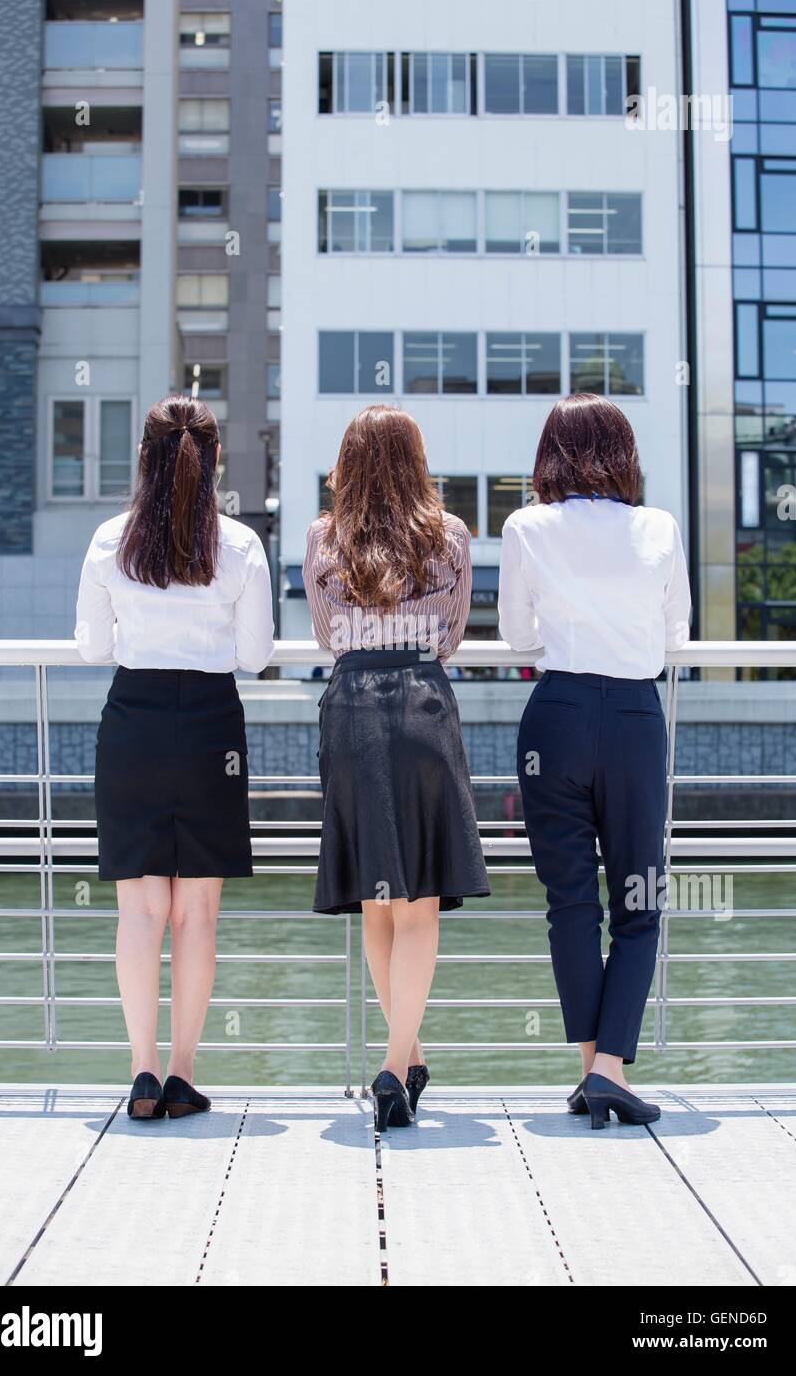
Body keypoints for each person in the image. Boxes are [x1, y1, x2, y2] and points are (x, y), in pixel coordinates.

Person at [75, 396, 274, 1121]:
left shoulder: (109, 541)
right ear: (213, 457)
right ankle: (185, 1072)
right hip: (211, 728)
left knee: (140, 908)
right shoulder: (240, 545)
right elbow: (255, 656)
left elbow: (93, 648)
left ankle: (143, 1071)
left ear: (144, 459)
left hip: (133, 723)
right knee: (196, 913)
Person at [498, 393, 691, 1129]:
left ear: (550, 454)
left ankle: (592, 1070)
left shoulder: (527, 525)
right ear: (626, 454)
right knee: (638, 898)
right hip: (637, 718)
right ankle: (609, 1069)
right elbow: (677, 629)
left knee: (570, 901)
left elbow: (517, 635)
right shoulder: (658, 527)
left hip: (558, 717)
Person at [303, 405, 490, 1131]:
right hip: (421, 704)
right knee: (420, 909)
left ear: (347, 464)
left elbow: (326, 636)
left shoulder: (326, 536)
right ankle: (396, 1061)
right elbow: (451, 636)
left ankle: (401, 1060)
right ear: (417, 463)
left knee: (378, 902)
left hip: (351, 705)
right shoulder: (448, 537)